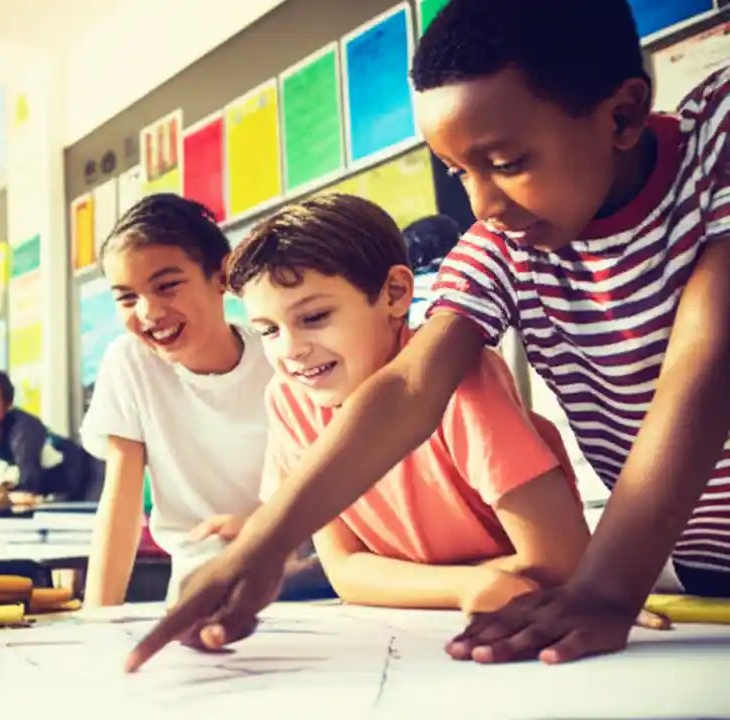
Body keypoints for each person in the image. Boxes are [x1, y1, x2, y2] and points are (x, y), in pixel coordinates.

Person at [127, 0, 729, 671]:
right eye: (459, 173)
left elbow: (706, 365)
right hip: (696, 571)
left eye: (506, 161)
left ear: (620, 115)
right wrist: (259, 549)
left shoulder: (717, 144)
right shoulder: (501, 247)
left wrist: (604, 589)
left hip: (624, 578)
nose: (483, 205)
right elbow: (409, 387)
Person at [230, 194, 589, 615]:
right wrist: (469, 584)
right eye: (268, 330)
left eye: (314, 317)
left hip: (528, 618)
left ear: (396, 294)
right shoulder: (291, 398)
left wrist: (407, 581)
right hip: (431, 628)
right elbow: (343, 571)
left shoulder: (458, 376)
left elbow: (561, 561)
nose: (291, 350)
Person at [80, 194, 279, 606]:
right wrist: (96, 620)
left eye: (167, 286)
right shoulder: (130, 362)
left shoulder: (280, 351)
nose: (149, 312)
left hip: (299, 579)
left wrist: (266, 525)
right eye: (126, 297)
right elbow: (120, 506)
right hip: (196, 589)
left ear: (222, 274)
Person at [0, 368, 105, 505]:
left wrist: (1, 494)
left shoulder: (23, 429)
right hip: (54, 486)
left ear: (8, 406)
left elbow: (30, 478)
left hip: (88, 473)